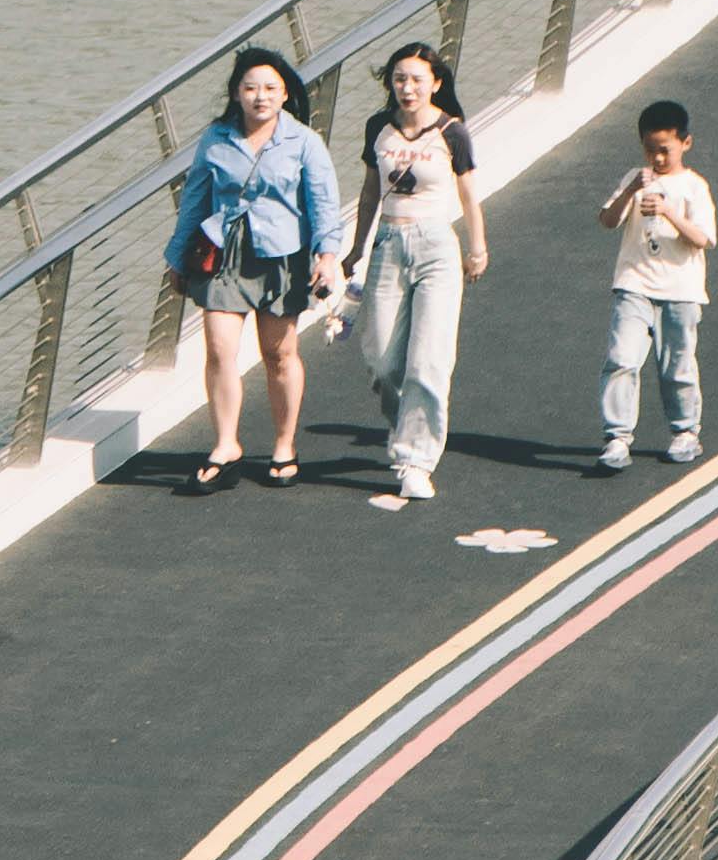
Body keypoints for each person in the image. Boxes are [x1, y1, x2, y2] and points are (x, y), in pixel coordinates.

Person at [169, 50, 345, 490]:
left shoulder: (303, 141)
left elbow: (323, 204)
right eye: (250, 88)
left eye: (270, 88)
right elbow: (194, 199)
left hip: (281, 258)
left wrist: (327, 255)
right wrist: (175, 259)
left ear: (285, 94)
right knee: (218, 349)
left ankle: (284, 446)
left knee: (278, 354)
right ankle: (226, 445)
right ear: (236, 93)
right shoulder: (216, 138)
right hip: (224, 255)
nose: (260, 97)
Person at [349, 37, 488, 509]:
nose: (408, 88)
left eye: (417, 80)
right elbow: (370, 193)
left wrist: (478, 248)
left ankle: (415, 461)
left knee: (429, 360)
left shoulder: (452, 132)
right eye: (399, 79)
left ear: (436, 84)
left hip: (436, 247)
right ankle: (405, 422)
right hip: (389, 244)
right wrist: (355, 250)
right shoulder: (378, 128)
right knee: (383, 362)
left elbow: (469, 195)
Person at [594, 96, 717, 471]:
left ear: (685, 143)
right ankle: (616, 437)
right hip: (634, 284)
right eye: (650, 150)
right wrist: (632, 190)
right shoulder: (635, 178)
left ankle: (685, 433)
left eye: (665, 150)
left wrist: (668, 211)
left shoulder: (694, 187)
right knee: (621, 359)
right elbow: (608, 220)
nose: (657, 159)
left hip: (680, 290)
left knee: (676, 365)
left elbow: (703, 239)